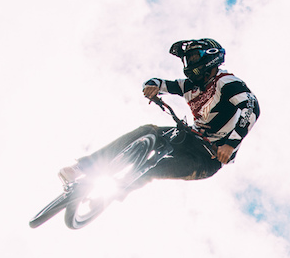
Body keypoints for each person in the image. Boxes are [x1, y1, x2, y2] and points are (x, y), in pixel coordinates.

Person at [57, 38, 259, 188]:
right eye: (187, 59)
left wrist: (230, 144)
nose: (189, 62)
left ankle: (115, 192)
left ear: (211, 56)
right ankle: (82, 169)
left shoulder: (226, 82)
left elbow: (251, 107)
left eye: (194, 57)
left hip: (208, 158)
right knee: (147, 131)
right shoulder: (190, 86)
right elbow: (159, 82)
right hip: (189, 137)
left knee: (153, 170)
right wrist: (151, 86)